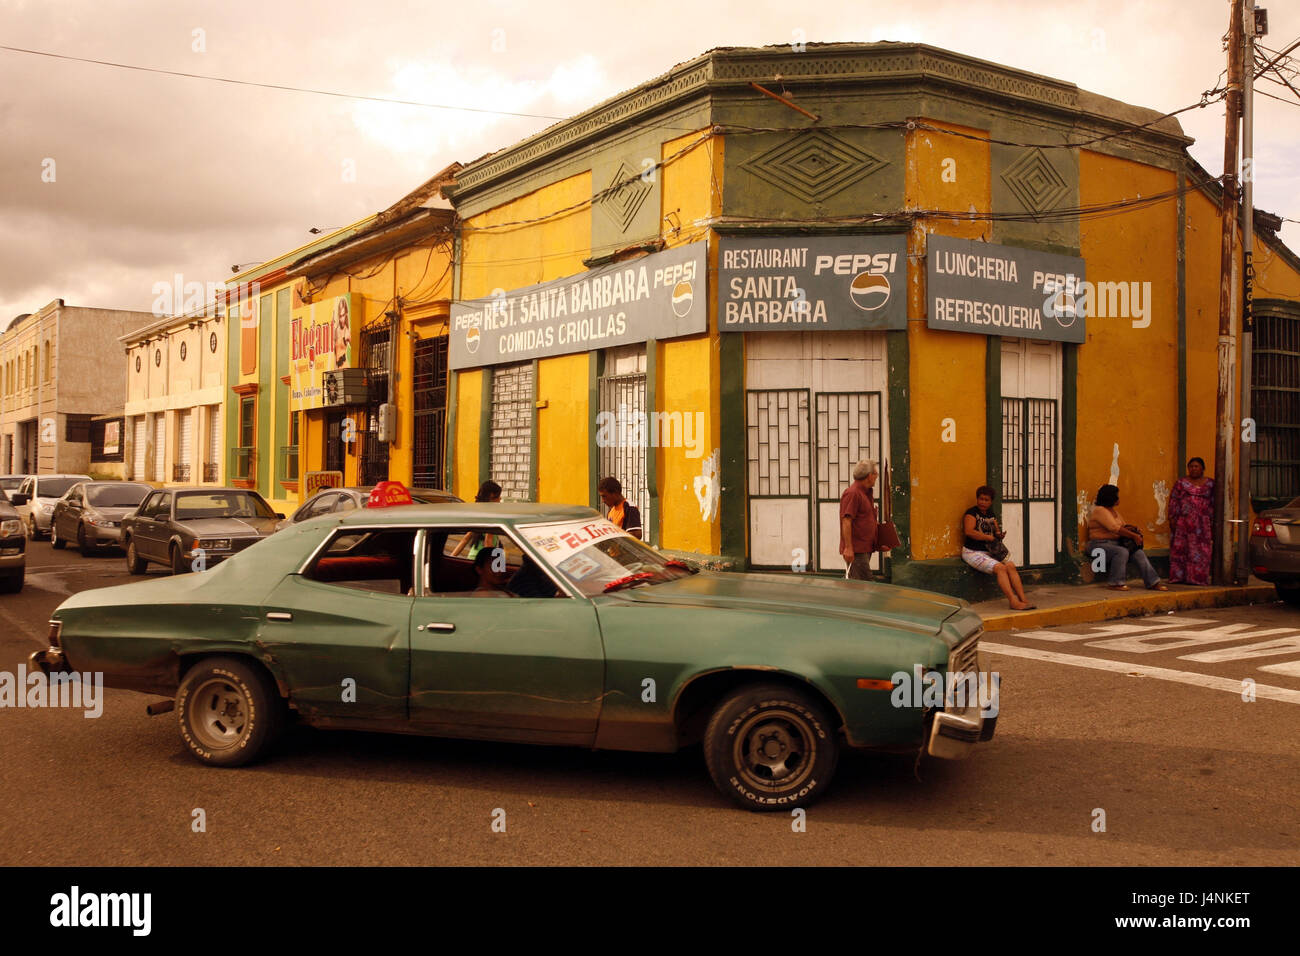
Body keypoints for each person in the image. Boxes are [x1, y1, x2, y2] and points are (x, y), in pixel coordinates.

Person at [961, 485, 1034, 610]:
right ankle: (1013, 601)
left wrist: (999, 535)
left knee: (1010, 566)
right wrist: (988, 537)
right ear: (977, 499)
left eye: (986, 500)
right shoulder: (971, 513)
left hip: (990, 551)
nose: (983, 502)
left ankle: (1024, 600)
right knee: (1000, 568)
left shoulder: (991, 514)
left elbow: (996, 532)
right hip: (973, 552)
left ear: (991, 501)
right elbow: (969, 531)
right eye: (981, 499)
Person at [1088, 484, 1169, 591]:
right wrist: (1134, 536)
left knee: (1138, 553)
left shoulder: (1114, 512)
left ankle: (1153, 582)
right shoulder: (1100, 510)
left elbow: (1122, 526)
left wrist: (1133, 529)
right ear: (1110, 497)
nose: (1118, 498)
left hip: (1115, 544)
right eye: (1117, 496)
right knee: (1121, 552)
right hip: (1099, 545)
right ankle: (1115, 583)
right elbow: (1114, 528)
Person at [1168, 457, 1214, 585]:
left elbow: (1214, 503)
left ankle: (1197, 578)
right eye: (1191, 466)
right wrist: (1172, 518)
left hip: (1202, 523)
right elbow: (1174, 501)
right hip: (1184, 522)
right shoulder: (1181, 483)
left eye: (1196, 466)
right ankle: (1179, 577)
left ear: (1202, 469)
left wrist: (1213, 521)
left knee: (1201, 550)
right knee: (1182, 549)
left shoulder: (1210, 484)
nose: (1193, 469)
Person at [839, 459, 879, 581]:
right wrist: (849, 548)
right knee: (865, 584)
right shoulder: (853, 493)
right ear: (869, 476)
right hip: (857, 550)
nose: (876, 476)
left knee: (857, 584)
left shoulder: (866, 493)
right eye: (875, 474)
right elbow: (846, 521)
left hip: (864, 548)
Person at [451, 481, 502, 558]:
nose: (500, 499)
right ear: (491, 497)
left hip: (473, 557)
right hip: (482, 560)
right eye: (498, 496)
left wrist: (451, 556)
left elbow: (465, 539)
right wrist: (491, 565)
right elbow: (488, 542)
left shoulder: (480, 514)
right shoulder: (491, 516)